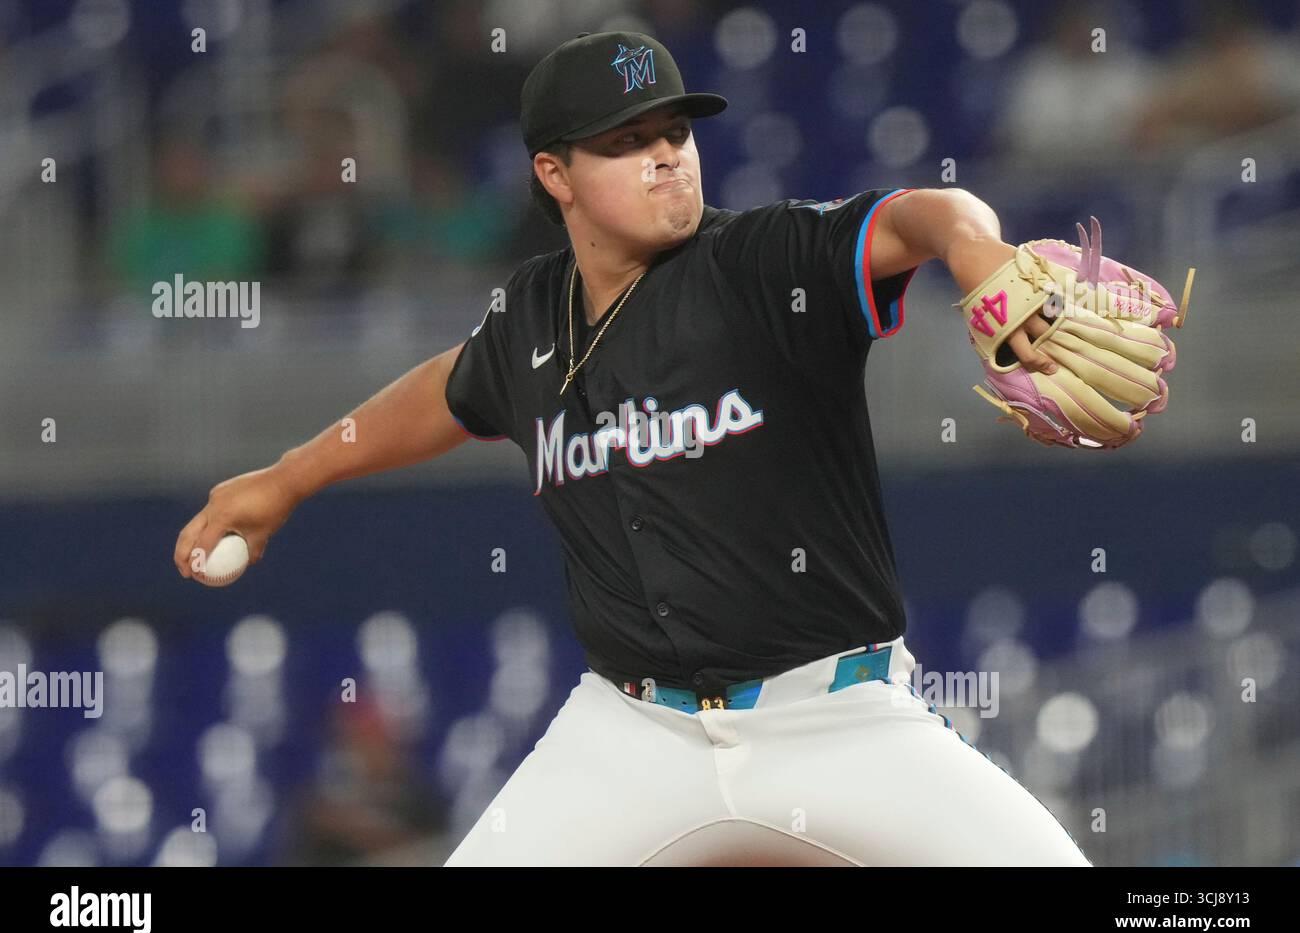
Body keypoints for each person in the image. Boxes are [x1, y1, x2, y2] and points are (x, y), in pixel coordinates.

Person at [175, 32, 1086, 866]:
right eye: (623, 142)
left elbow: (919, 215)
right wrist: (287, 478)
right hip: (632, 732)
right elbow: (448, 392)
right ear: (555, 173)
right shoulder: (530, 318)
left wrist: (976, 250)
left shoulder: (762, 266)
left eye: (674, 134)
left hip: (835, 714)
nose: (663, 156)